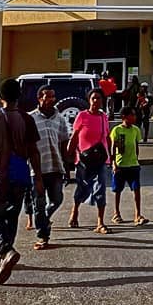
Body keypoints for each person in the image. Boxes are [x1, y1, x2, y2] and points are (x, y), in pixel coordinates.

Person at [0, 77, 44, 285]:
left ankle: (5, 250)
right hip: (20, 178)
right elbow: (34, 152)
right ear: (19, 97)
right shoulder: (27, 119)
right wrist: (38, 178)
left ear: (0, 97)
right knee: (11, 217)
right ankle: (4, 255)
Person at [26, 85, 70, 248]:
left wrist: (67, 165)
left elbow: (64, 141)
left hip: (56, 166)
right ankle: (42, 236)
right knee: (38, 202)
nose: (50, 99)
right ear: (39, 98)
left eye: (53, 96)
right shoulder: (30, 118)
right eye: (47, 96)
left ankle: (44, 219)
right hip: (36, 169)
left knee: (57, 199)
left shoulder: (60, 118)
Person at [66, 88, 111, 234]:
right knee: (82, 187)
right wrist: (69, 154)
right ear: (89, 100)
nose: (96, 101)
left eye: (99, 98)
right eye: (93, 98)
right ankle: (75, 210)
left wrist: (111, 156)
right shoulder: (82, 116)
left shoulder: (104, 117)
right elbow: (74, 137)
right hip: (84, 159)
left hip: (100, 159)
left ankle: (100, 222)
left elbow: (107, 137)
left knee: (101, 187)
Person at [109, 106, 147, 226]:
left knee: (136, 189)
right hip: (120, 165)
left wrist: (137, 159)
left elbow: (136, 146)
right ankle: (116, 213)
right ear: (124, 117)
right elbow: (113, 147)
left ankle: (138, 214)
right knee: (117, 190)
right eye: (132, 115)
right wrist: (113, 163)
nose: (134, 117)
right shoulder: (117, 130)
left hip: (133, 165)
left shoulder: (135, 130)